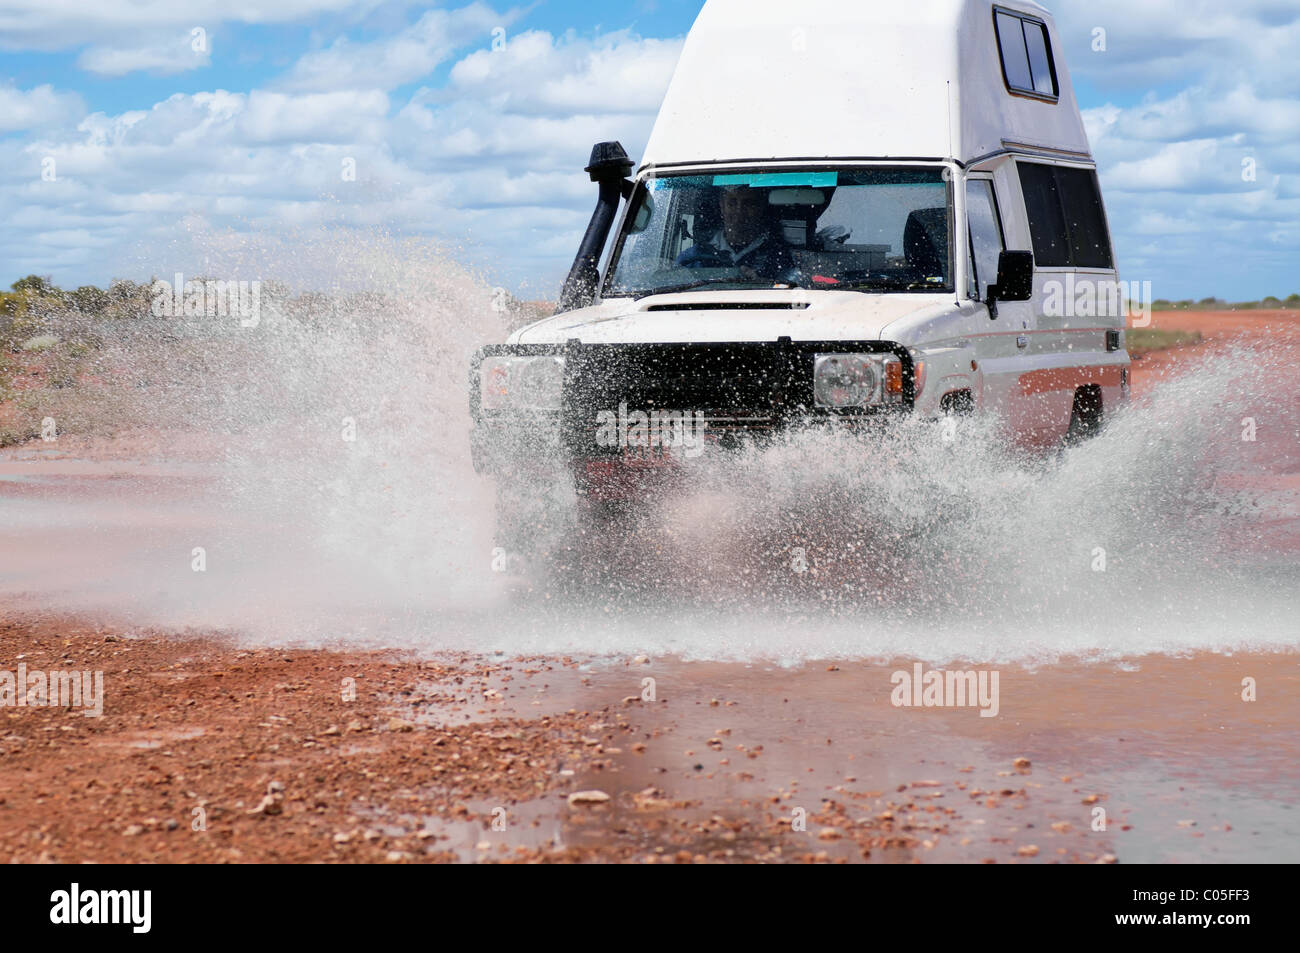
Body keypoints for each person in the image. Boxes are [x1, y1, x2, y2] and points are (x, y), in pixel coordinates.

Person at [676, 186, 797, 282]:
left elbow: (793, 292)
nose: (739, 211)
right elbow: (675, 290)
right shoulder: (694, 256)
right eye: (732, 203)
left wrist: (762, 284)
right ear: (722, 207)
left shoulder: (779, 255)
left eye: (748, 204)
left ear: (761, 208)